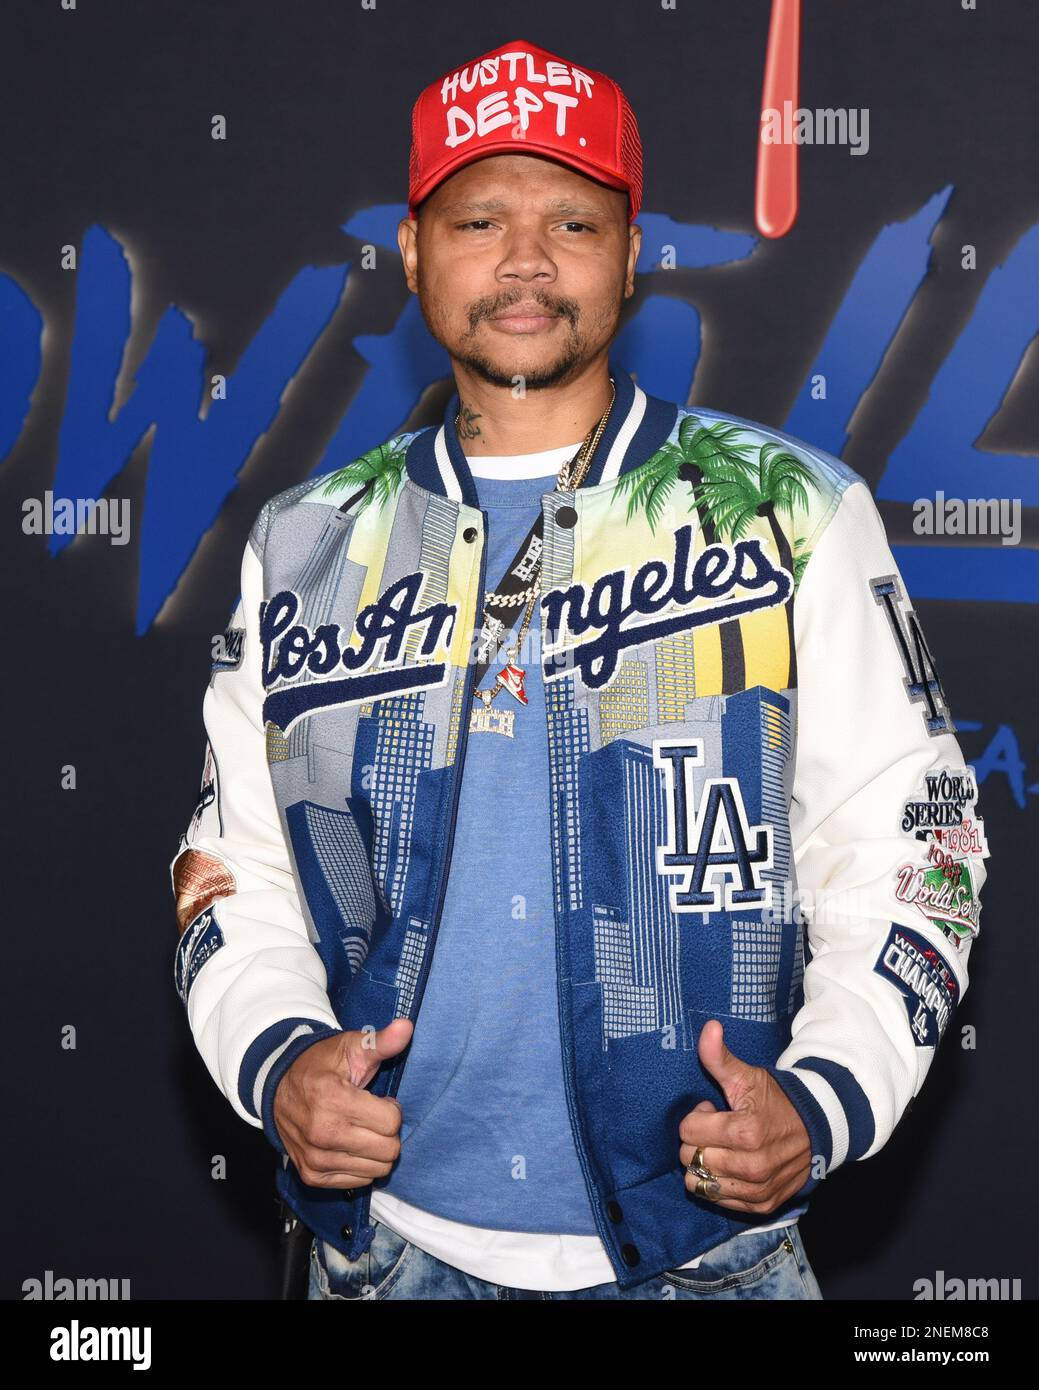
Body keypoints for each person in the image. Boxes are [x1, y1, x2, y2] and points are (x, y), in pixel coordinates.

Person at [169, 37, 990, 1301]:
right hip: (390, 1253)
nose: (524, 262)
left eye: (573, 221)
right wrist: (277, 1061)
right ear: (412, 251)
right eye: (478, 217)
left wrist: (826, 1098)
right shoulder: (305, 541)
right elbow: (235, 865)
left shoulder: (788, 509)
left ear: (630, 253)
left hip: (707, 1255)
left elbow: (918, 837)